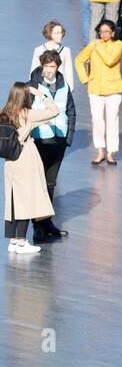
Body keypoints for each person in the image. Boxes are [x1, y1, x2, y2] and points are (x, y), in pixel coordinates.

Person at [2, 83, 60, 256]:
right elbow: (54, 110)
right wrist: (41, 94)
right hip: (25, 159)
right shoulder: (27, 114)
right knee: (25, 200)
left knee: (12, 200)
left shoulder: (3, 113)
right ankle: (21, 242)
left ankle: (12, 241)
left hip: (10, 161)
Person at [28, 54, 76, 243]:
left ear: (58, 67)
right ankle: (37, 226)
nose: (49, 70)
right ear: (42, 66)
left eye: (52, 66)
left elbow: (71, 111)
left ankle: (47, 222)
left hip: (58, 141)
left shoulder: (64, 85)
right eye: (46, 66)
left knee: (50, 184)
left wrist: (68, 138)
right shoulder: (32, 85)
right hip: (39, 141)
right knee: (38, 184)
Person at [76, 19, 122, 165]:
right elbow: (79, 60)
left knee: (112, 121)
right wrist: (86, 79)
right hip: (95, 89)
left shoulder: (118, 45)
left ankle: (111, 152)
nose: (103, 34)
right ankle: (100, 151)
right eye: (101, 31)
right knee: (97, 121)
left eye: (106, 32)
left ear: (113, 33)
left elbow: (110, 60)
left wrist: (98, 46)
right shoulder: (93, 44)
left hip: (113, 89)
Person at [31, 22, 75, 95]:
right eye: (56, 33)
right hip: (42, 87)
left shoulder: (66, 50)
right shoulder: (39, 50)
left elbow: (68, 70)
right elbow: (34, 70)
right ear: (49, 34)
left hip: (60, 87)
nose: (60, 35)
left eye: (60, 33)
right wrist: (32, 87)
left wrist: (70, 88)